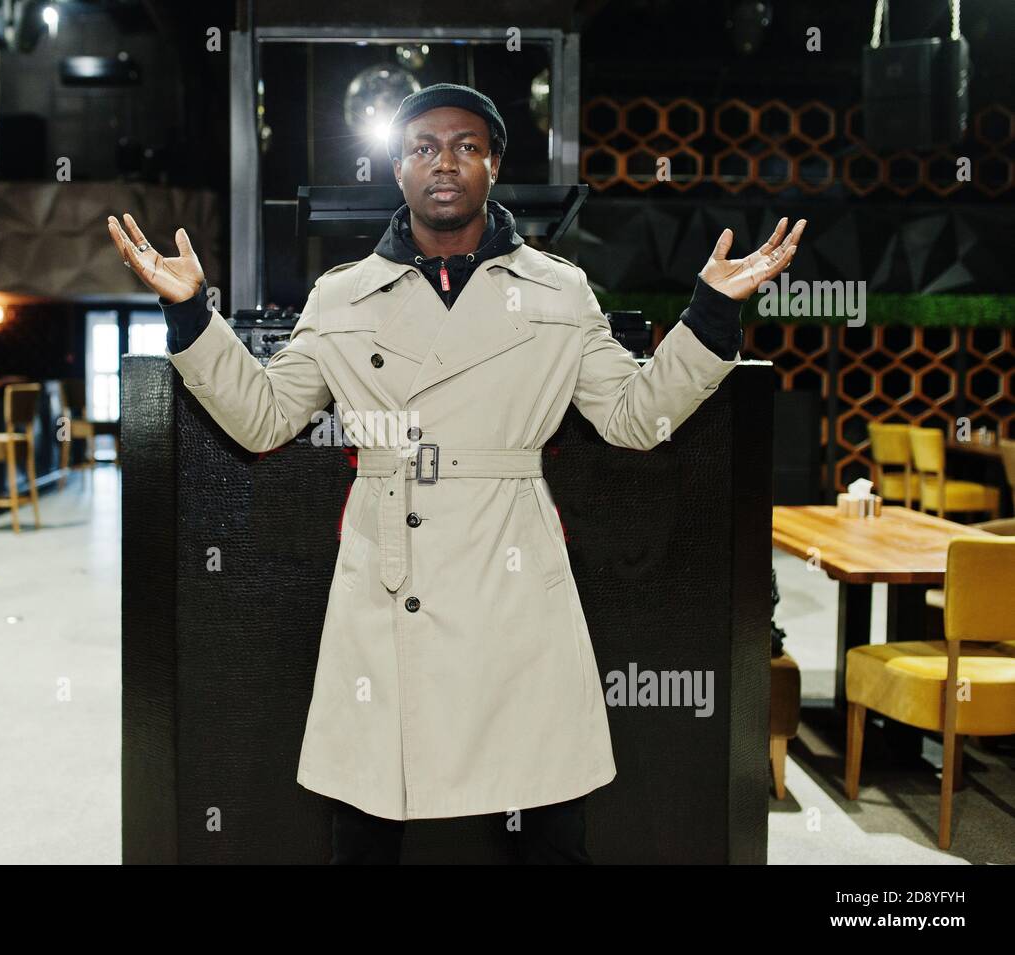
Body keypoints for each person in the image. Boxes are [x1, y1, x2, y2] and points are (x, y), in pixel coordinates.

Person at [108, 83, 805, 864]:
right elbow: (263, 416)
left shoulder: (558, 289)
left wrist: (711, 311)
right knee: (366, 830)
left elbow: (635, 417)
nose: (445, 162)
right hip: (386, 583)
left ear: (494, 166)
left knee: (548, 830)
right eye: (424, 148)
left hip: (514, 583)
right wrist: (190, 312)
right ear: (398, 169)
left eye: (467, 146)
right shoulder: (341, 295)